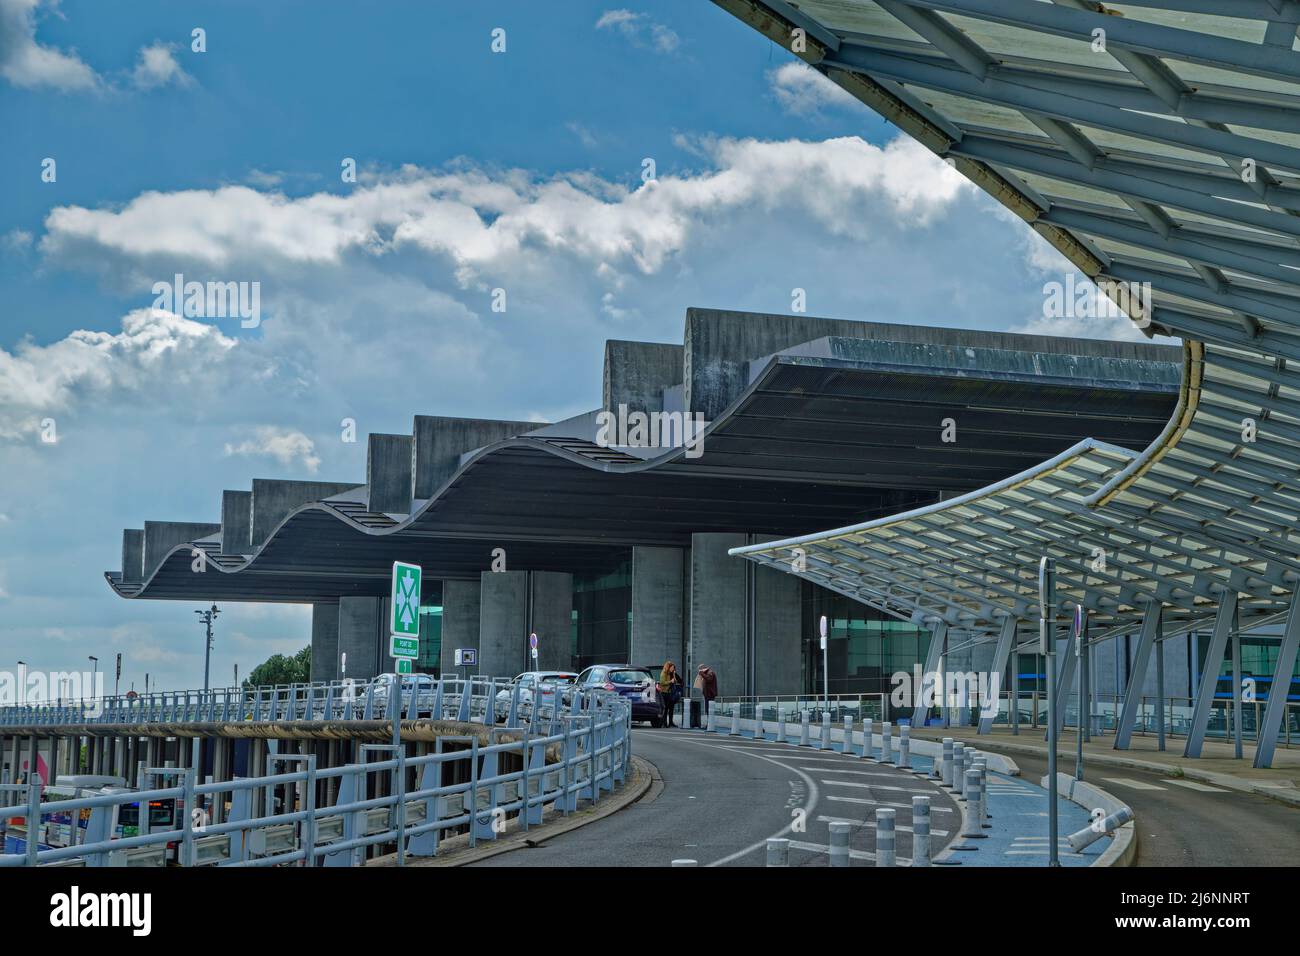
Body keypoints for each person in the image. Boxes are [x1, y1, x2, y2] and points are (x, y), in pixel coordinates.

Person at [657, 661, 678, 728]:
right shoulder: (664, 673)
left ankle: (671, 722)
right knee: (665, 708)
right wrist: (670, 681)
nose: (673, 669)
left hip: (670, 693)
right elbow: (662, 682)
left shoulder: (671, 674)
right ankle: (664, 723)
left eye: (673, 668)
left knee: (671, 708)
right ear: (668, 667)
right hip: (664, 693)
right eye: (672, 668)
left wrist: (674, 674)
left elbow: (676, 681)